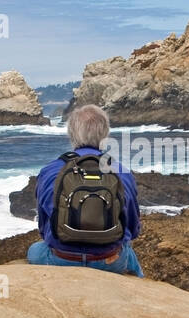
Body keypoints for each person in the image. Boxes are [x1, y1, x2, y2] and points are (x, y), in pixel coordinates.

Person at [28, 104, 143, 276]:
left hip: (61, 260)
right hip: (109, 261)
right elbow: (132, 229)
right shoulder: (121, 172)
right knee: (129, 253)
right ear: (105, 135)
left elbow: (44, 229)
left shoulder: (50, 171)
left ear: (71, 134)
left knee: (35, 250)